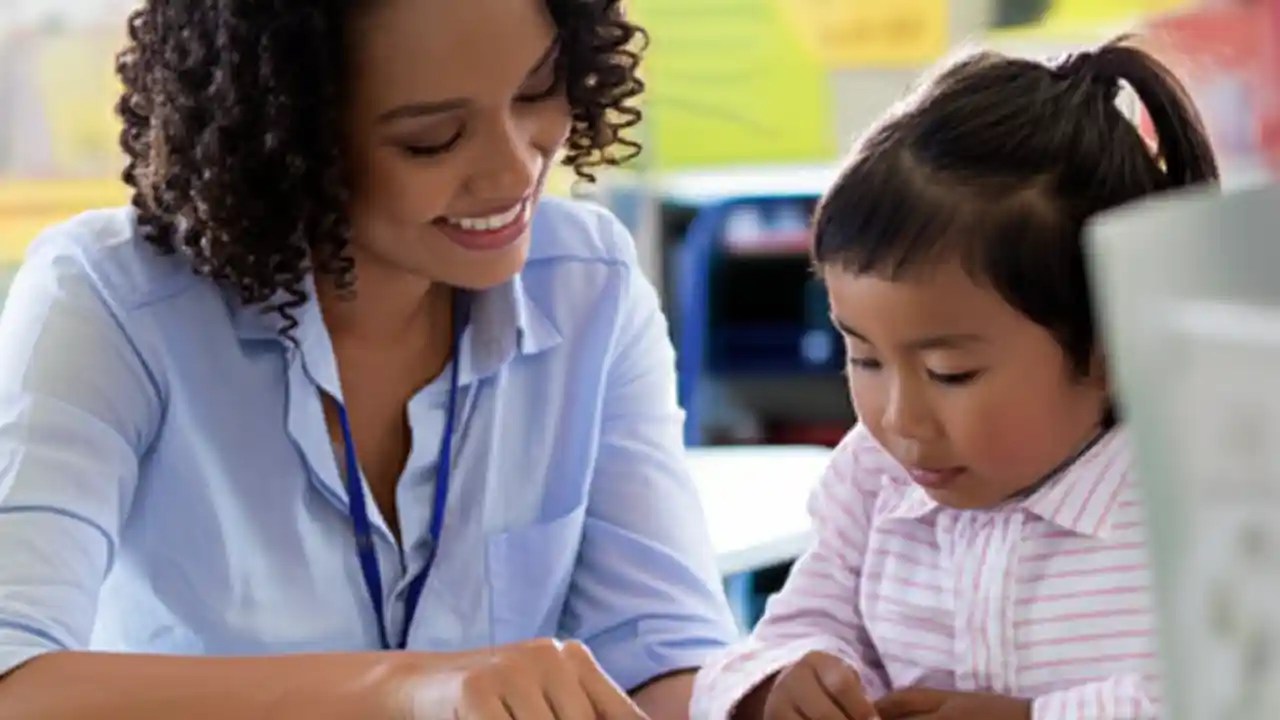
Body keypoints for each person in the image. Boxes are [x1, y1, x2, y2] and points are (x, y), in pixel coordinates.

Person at [0, 1, 738, 718]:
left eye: (538, 91)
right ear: (286, 139)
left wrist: (764, 695)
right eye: (433, 138)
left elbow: (659, 656)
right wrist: (411, 692)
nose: (514, 171)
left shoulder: (589, 284)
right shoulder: (108, 303)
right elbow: (14, 680)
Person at [691, 36, 1219, 720]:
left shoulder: (1198, 491)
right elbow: (782, 636)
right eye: (865, 358)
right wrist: (779, 683)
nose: (899, 420)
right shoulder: (874, 479)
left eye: (951, 373)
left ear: (1114, 345)